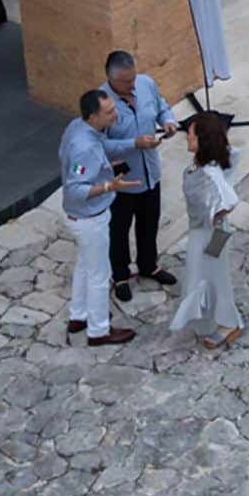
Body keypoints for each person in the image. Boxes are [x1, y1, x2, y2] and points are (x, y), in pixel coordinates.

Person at [58, 90, 141, 346]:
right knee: (99, 274)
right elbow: (76, 188)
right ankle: (99, 330)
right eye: (109, 112)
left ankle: (79, 315)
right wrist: (108, 186)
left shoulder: (78, 128)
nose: (115, 114)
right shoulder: (84, 148)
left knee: (85, 264)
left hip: (79, 217)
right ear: (93, 116)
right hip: (89, 218)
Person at [97, 50, 179, 304]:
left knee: (149, 222)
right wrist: (133, 144)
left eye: (133, 79)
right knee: (119, 229)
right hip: (122, 181)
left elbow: (161, 106)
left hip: (150, 173)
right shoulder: (99, 103)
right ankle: (120, 274)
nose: (132, 85)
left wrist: (168, 121)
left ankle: (148, 265)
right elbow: (98, 146)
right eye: (125, 82)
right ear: (110, 79)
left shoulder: (146, 84)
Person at [170, 112, 242, 350]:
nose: (186, 138)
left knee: (215, 279)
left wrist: (216, 217)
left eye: (190, 134)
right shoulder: (206, 165)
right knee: (202, 275)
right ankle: (210, 317)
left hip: (211, 235)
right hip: (201, 232)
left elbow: (228, 201)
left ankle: (228, 323)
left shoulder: (209, 174)